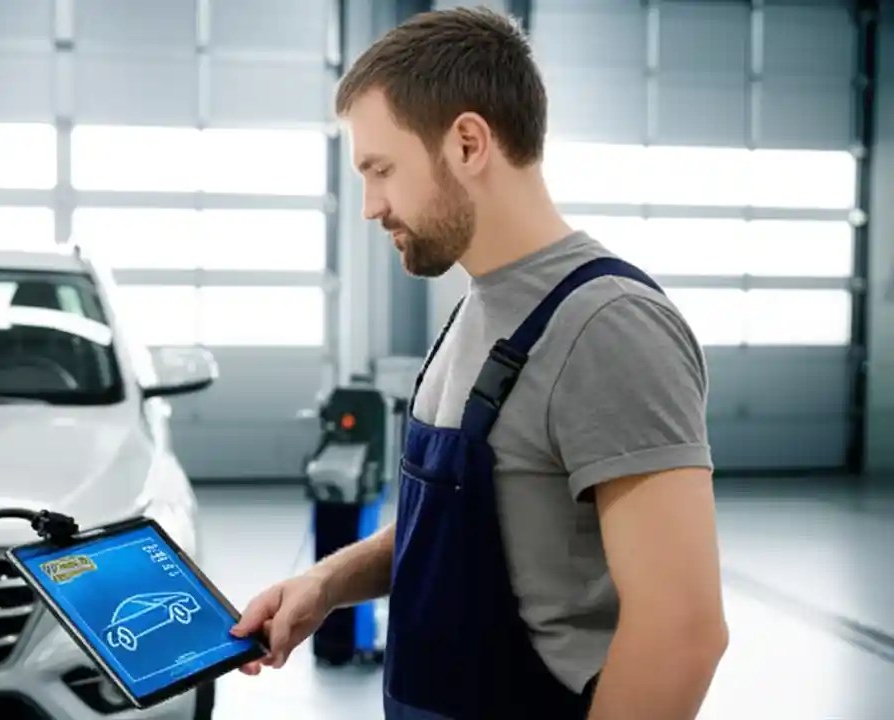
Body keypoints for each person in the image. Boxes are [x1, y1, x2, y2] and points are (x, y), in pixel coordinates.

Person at [229, 7, 728, 719]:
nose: (370, 206)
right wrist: (330, 581)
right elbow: (474, 520)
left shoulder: (608, 327)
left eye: (381, 169)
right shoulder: (477, 308)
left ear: (467, 143)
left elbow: (683, 633)